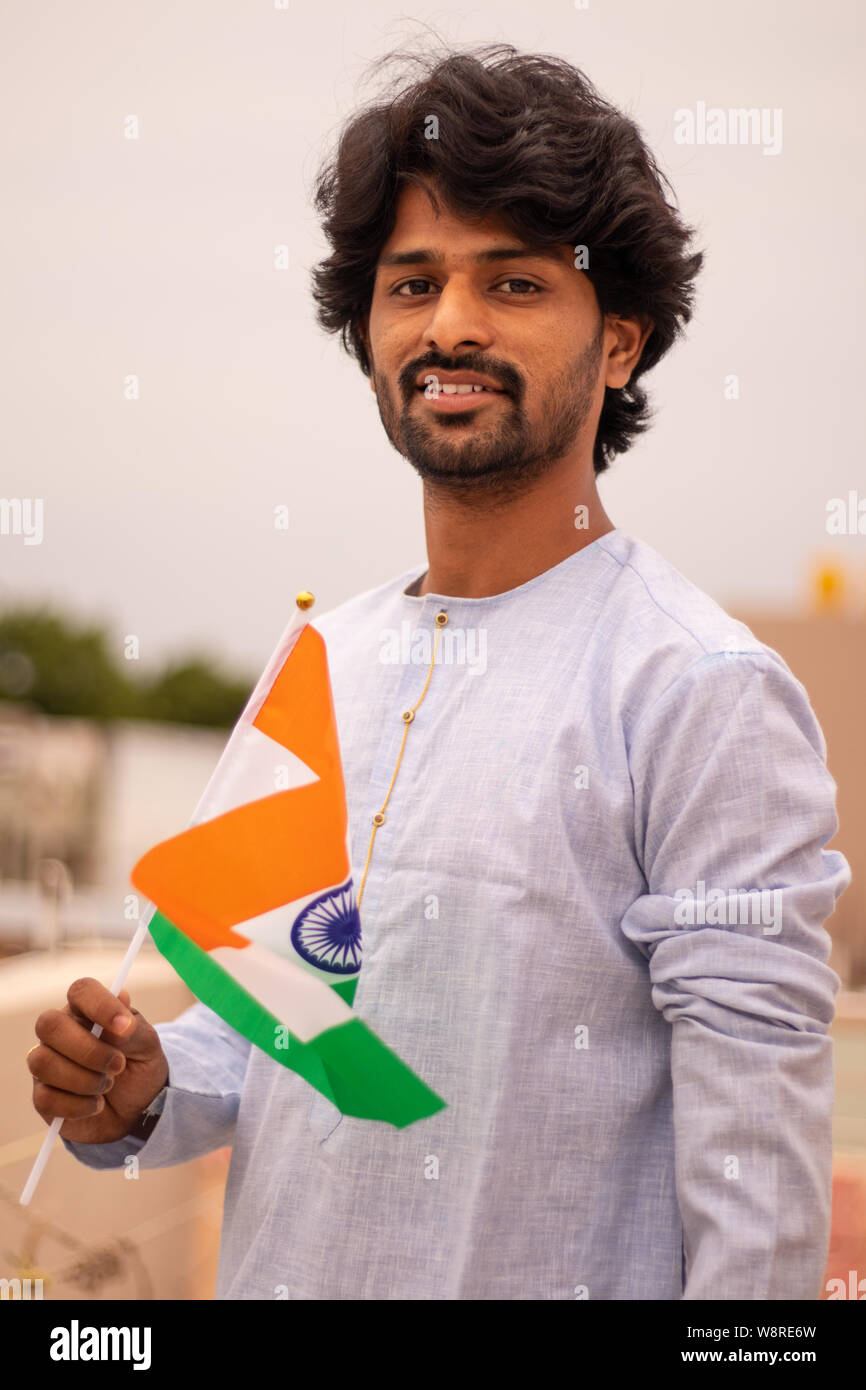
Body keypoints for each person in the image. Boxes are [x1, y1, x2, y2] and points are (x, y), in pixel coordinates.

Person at [29, 44, 850, 1300]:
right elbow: (273, 1027)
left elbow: (757, 1194)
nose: (449, 323)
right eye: (411, 283)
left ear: (619, 342)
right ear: (367, 331)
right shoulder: (322, 660)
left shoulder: (695, 691)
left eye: (512, 281)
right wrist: (144, 1085)